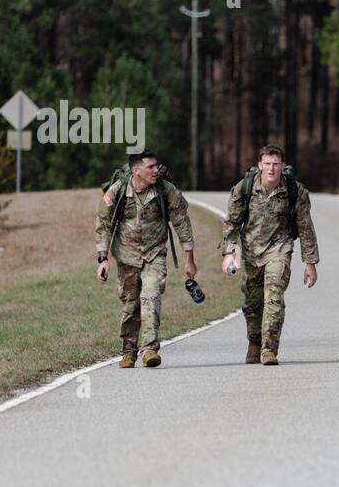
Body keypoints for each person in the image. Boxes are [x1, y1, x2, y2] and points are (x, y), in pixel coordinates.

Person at [93, 150, 196, 368]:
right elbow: (103, 223)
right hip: (127, 256)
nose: (155, 170)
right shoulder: (118, 191)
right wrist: (103, 259)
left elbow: (182, 224)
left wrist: (189, 258)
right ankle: (128, 351)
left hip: (154, 253)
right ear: (135, 170)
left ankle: (149, 349)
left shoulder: (165, 190)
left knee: (151, 296)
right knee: (131, 304)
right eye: (150, 167)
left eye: (156, 165)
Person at [220, 146, 319, 365]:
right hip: (252, 254)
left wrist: (310, 263)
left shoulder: (296, 191)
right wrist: (228, 253)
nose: (271, 168)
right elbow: (232, 223)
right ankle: (254, 342)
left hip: (280, 249)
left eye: (275, 164)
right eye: (267, 163)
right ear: (259, 166)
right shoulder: (243, 189)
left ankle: (269, 349)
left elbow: (305, 228)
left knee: (274, 296)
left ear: (283, 166)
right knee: (252, 304)